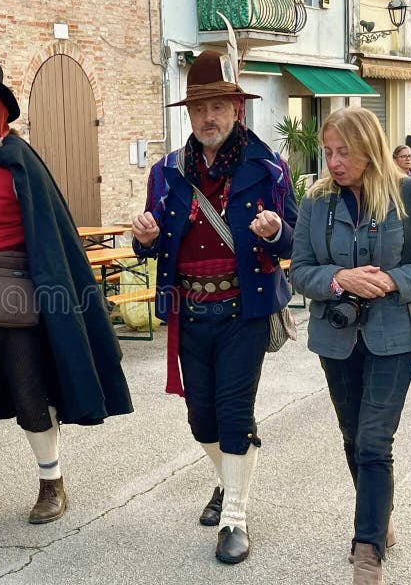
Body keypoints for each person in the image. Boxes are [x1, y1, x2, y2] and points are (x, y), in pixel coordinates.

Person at [0, 52, 133, 539]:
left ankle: (51, 484)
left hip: (14, 295)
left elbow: (50, 234)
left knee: (30, 389)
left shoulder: (18, 159)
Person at [131, 50, 298, 564]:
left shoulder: (268, 167)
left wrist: (276, 234)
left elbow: (295, 242)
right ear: (188, 115)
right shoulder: (167, 171)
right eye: (198, 109)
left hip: (243, 312)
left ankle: (236, 518)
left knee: (233, 414)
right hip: (190, 313)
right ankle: (228, 481)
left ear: (236, 109)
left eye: (217, 107)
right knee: (200, 418)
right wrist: (145, 238)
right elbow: (154, 240)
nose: (208, 118)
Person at [290, 107, 411, 584]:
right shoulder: (316, 202)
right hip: (336, 339)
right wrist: (339, 278)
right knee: (351, 436)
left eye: (345, 152)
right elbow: (300, 269)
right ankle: (379, 519)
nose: (335, 162)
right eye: (329, 152)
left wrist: (388, 280)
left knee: (373, 441)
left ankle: (368, 548)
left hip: (394, 338)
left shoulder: (408, 194)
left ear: (370, 148)